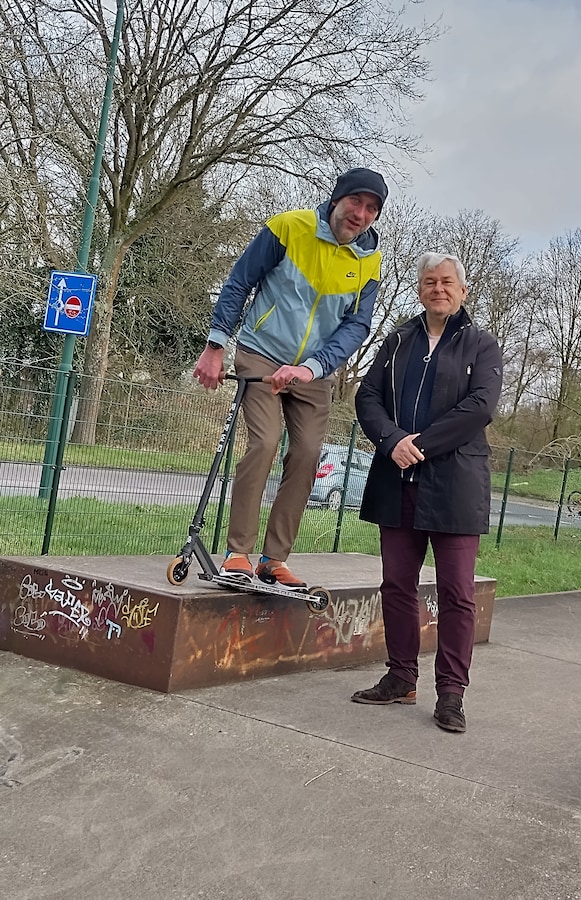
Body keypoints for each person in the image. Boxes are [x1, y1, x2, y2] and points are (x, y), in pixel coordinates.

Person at [193, 168, 388, 587]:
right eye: (355, 201)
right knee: (264, 443)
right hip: (261, 353)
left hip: (313, 370)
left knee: (308, 454)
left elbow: (357, 325)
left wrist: (312, 367)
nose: (360, 214)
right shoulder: (288, 227)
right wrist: (216, 344)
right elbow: (240, 281)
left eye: (371, 209)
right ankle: (237, 554)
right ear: (337, 199)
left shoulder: (370, 262)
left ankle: (274, 559)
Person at [351, 251, 503, 732]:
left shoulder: (481, 345)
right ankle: (400, 677)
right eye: (430, 282)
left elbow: (480, 407)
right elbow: (367, 396)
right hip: (397, 483)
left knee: (457, 593)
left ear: (462, 290)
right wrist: (392, 441)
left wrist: (420, 445)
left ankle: (451, 694)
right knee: (396, 585)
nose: (438, 289)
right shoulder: (398, 341)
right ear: (420, 290)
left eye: (447, 282)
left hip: (455, 485)